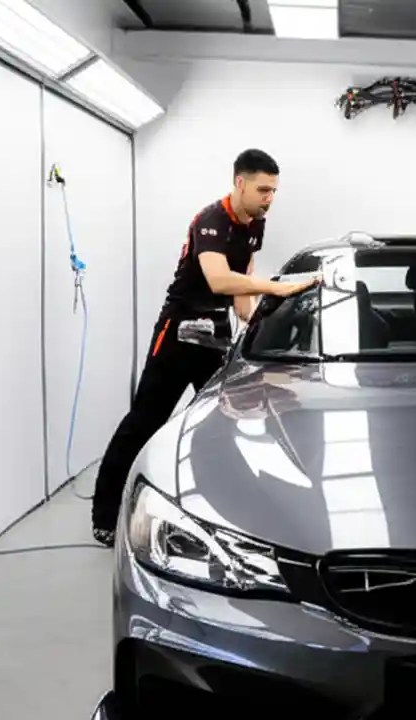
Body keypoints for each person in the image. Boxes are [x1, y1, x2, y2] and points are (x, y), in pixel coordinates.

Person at [90, 149, 318, 546]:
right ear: (240, 183)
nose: (269, 198)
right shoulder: (211, 220)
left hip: (214, 333)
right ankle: (105, 516)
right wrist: (276, 285)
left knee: (227, 423)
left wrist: (267, 325)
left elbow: (241, 298)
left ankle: (223, 521)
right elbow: (219, 280)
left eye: (274, 191)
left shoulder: (254, 227)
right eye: (263, 189)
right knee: (145, 421)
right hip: (178, 332)